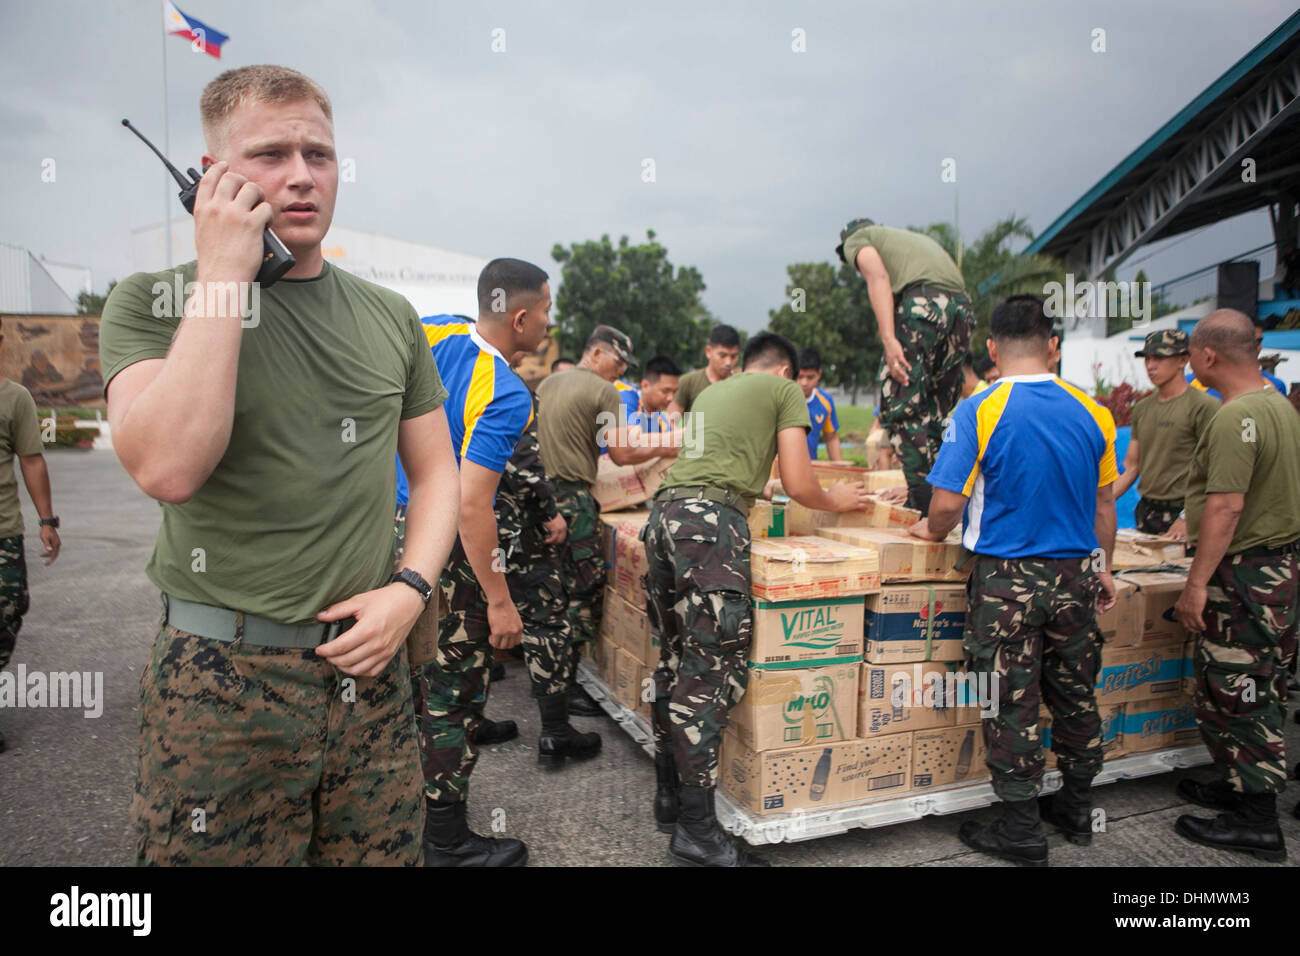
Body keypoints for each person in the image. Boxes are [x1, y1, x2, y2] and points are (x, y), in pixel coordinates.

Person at [100, 65, 461, 865]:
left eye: (319, 154)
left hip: (372, 678)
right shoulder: (151, 302)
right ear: (210, 177)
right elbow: (166, 467)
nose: (301, 175)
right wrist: (225, 273)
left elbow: (438, 474)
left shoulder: (389, 315)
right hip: (222, 688)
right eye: (270, 154)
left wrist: (411, 591)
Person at [644, 332, 871, 867]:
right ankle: (698, 832)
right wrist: (833, 499)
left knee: (675, 661)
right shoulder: (785, 392)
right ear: (787, 371)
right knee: (710, 672)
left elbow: (718, 461)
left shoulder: (713, 391)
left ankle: (670, 796)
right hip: (709, 527)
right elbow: (798, 480)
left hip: (663, 520)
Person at [911, 294, 1118, 867]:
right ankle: (1077, 808)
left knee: (1009, 700)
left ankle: (1022, 829)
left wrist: (929, 531)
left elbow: (947, 506)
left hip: (1007, 581)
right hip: (1077, 573)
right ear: (1052, 345)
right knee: (1075, 691)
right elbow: (1105, 505)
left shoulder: (979, 409)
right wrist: (1104, 568)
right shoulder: (1095, 411)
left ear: (992, 348)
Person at [407, 258, 555, 867]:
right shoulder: (507, 392)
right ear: (520, 318)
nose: (548, 323)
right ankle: (444, 841)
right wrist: (498, 599)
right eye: (546, 310)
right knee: (451, 691)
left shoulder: (434, 329)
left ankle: (401, 809)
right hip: (445, 550)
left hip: (389, 531)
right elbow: (472, 504)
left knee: (408, 680)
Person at [1171, 309, 1300, 863]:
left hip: (1246, 574)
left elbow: (1225, 506)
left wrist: (1195, 585)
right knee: (1247, 683)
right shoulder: (1279, 406)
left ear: (1207, 357)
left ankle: (1258, 820)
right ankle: (1241, 782)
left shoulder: (1234, 418)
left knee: (1242, 691)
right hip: (1276, 571)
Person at [536, 326, 672, 727]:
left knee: (548, 587)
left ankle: (544, 677)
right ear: (596, 353)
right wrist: (670, 445)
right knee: (584, 586)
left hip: (540, 496)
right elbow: (623, 451)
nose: (621, 371)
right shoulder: (604, 391)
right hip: (574, 499)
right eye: (618, 361)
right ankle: (569, 683)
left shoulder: (549, 383)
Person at [837, 217, 973, 515]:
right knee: (936, 414)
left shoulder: (859, 239)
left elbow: (878, 277)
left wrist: (888, 338)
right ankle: (943, 499)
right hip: (961, 310)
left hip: (925, 304)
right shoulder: (907, 241)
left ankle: (925, 508)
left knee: (903, 407)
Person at [0, 320, 62, 755]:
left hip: (2, 532)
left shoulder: (15, 397)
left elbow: (32, 460)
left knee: (9, 611)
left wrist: (47, 520)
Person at [1114, 330, 1217, 539]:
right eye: (1148, 359)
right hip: (1147, 511)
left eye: (1159, 358)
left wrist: (1187, 518)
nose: (1151, 365)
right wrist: (1100, 503)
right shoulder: (1143, 408)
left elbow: (1216, 470)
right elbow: (1131, 467)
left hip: (1184, 513)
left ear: (1183, 360)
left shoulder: (1203, 406)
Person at [1187, 317, 1286, 398]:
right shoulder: (1189, 384)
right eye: (1246, 341)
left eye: (1258, 341)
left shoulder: (1275, 385)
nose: (1253, 346)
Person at [668, 324, 740, 415]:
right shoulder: (688, 383)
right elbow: (671, 423)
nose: (728, 362)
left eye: (733, 356)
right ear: (708, 352)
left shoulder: (740, 386)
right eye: (722, 356)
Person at [796, 348, 842, 461]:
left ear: (819, 374)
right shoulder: (781, 399)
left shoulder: (825, 401)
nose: (804, 383)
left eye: (810, 377)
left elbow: (831, 438)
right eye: (800, 376)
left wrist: (840, 470)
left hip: (811, 467)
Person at [621, 355, 681, 434]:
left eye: (674, 392)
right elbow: (633, 440)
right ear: (645, 386)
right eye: (665, 391)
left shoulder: (662, 420)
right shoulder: (626, 398)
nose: (671, 398)